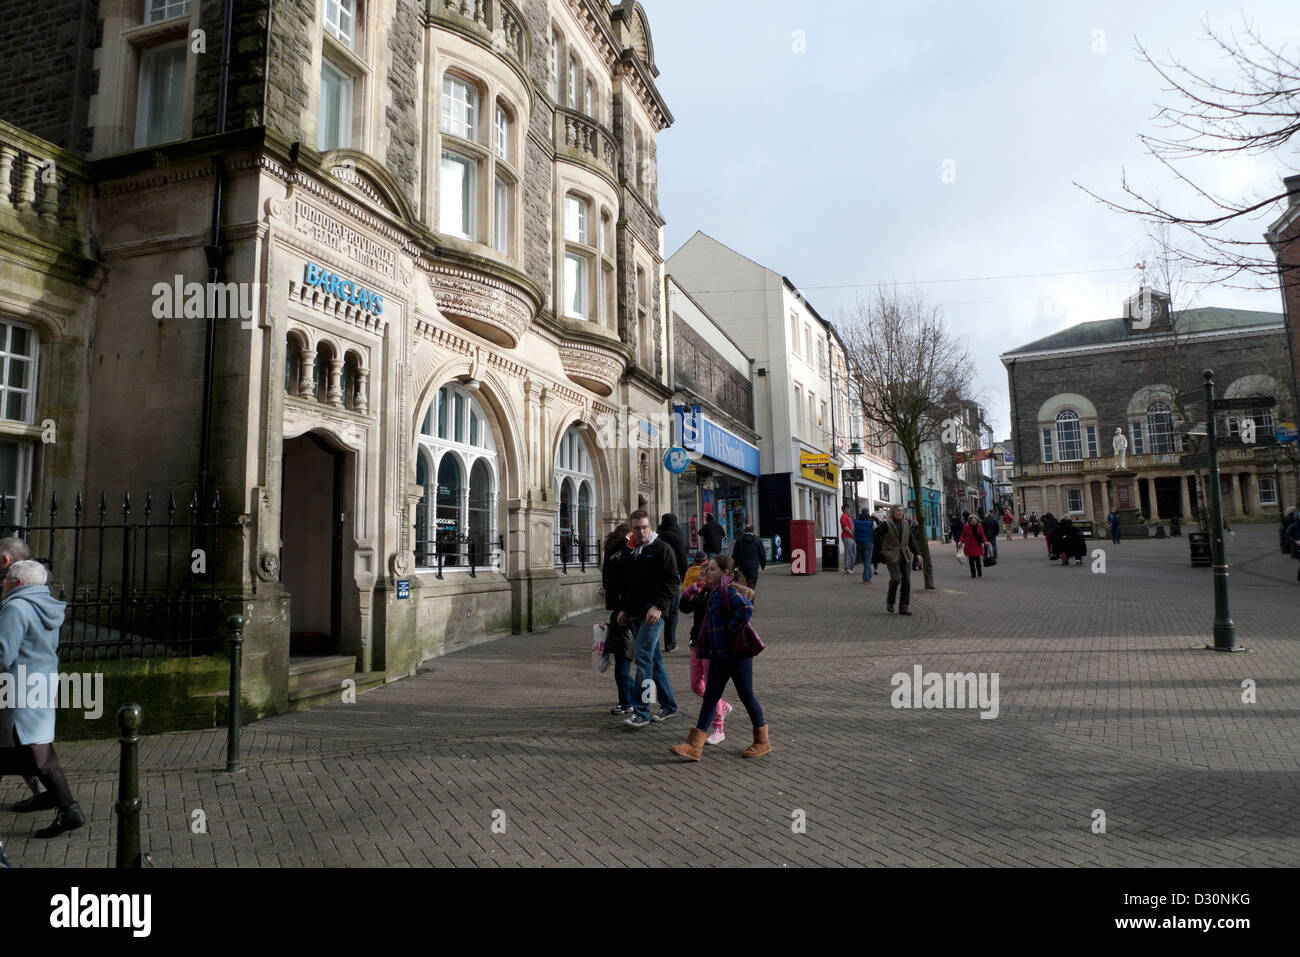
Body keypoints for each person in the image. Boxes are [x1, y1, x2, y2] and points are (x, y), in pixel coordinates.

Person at [0, 560, 85, 839]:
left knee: (39, 755)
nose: (3, 583)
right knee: (32, 751)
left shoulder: (15, 607)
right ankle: (54, 800)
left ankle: (69, 810)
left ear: (18, 583)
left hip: (18, 690)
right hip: (39, 684)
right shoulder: (46, 605)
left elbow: (3, 654)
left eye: (6, 579)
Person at [668, 556, 770, 761]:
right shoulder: (713, 592)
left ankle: (762, 742)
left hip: (737, 655)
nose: (708, 572)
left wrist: (731, 629)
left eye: (713, 569)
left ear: (725, 573)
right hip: (719, 655)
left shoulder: (728, 591)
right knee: (710, 698)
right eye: (708, 569)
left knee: (746, 696)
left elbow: (746, 608)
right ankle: (694, 746)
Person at [616, 510, 680, 728]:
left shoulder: (662, 549)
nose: (641, 531)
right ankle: (669, 705)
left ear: (650, 526)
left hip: (654, 613)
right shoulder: (628, 551)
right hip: (634, 612)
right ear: (631, 529)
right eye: (636, 528)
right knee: (654, 660)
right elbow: (625, 584)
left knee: (643, 657)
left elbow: (673, 581)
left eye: (644, 527)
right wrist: (622, 609)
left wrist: (659, 607)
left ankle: (641, 711)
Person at [0, 538, 43, 812]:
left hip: (13, 678)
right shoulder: (37, 586)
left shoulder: (14, 593)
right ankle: (49, 795)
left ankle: (57, 798)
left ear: (5, 561)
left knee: (22, 743)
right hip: (29, 679)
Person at [678, 559, 739, 746]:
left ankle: (718, 727)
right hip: (697, 642)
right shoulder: (701, 593)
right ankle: (722, 705)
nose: (703, 578)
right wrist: (691, 593)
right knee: (697, 685)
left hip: (712, 646)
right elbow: (683, 607)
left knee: (711, 687)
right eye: (702, 575)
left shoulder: (719, 594)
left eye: (707, 574)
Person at [601, 524, 636, 715]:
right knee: (624, 660)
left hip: (618, 610)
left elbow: (609, 583)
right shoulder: (625, 552)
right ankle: (628, 700)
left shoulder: (612, 550)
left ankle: (627, 700)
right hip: (627, 611)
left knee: (623, 660)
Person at [878, 505, 919, 616]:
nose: (900, 513)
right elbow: (875, 535)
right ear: (892, 512)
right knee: (896, 578)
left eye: (901, 511)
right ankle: (890, 602)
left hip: (905, 554)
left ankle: (904, 607)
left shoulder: (906, 524)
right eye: (897, 511)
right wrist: (882, 550)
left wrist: (917, 554)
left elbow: (911, 540)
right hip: (892, 555)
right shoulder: (886, 524)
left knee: (906, 581)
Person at [656, 514, 688, 653]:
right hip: (673, 578)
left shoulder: (658, 535)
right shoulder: (676, 536)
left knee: (658, 609)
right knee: (672, 612)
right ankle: (670, 643)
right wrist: (684, 578)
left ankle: (654, 642)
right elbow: (682, 559)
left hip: (658, 578)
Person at [730, 523, 767, 589]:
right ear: (753, 530)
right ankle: (750, 598)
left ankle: (743, 598)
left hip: (741, 568)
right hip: (753, 568)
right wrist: (763, 565)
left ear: (745, 530)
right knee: (751, 587)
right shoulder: (757, 540)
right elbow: (762, 555)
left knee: (742, 587)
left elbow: (734, 556)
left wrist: (734, 569)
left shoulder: (739, 540)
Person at [961, 513, 988, 578]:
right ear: (970, 521)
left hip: (977, 546)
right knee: (971, 562)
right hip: (969, 546)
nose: (974, 522)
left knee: (978, 561)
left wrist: (985, 541)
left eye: (975, 521)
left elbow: (982, 535)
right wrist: (960, 541)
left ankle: (979, 573)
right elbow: (963, 535)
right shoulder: (966, 527)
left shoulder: (979, 526)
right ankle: (973, 574)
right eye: (972, 521)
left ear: (977, 520)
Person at [853, 508, 875, 583]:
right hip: (869, 543)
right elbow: (876, 531)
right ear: (868, 512)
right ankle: (866, 578)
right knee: (867, 561)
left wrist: (855, 539)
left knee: (864, 561)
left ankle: (868, 577)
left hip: (859, 543)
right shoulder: (871, 522)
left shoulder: (856, 521)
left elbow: (853, 532)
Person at [839, 504, 856, 574]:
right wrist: (852, 534)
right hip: (846, 536)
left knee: (853, 552)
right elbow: (846, 528)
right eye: (848, 509)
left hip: (851, 537)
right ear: (845, 509)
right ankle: (847, 568)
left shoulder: (848, 517)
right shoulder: (843, 516)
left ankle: (850, 567)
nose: (849, 510)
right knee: (848, 552)